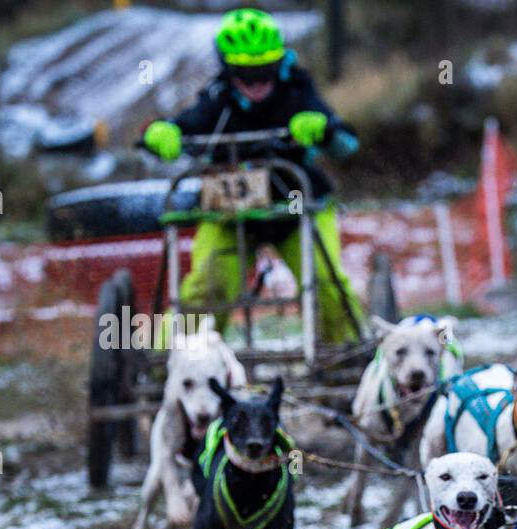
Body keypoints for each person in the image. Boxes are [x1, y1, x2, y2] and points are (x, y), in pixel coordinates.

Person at [141, 7, 364, 343]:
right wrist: (161, 134)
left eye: (265, 71)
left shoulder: (299, 92)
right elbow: (182, 126)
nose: (258, 82)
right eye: (247, 73)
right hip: (229, 214)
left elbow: (346, 143)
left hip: (295, 207)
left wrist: (323, 130)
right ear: (229, 70)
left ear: (279, 64)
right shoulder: (217, 101)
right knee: (208, 286)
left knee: (325, 283)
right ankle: (172, 366)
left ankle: (346, 361)